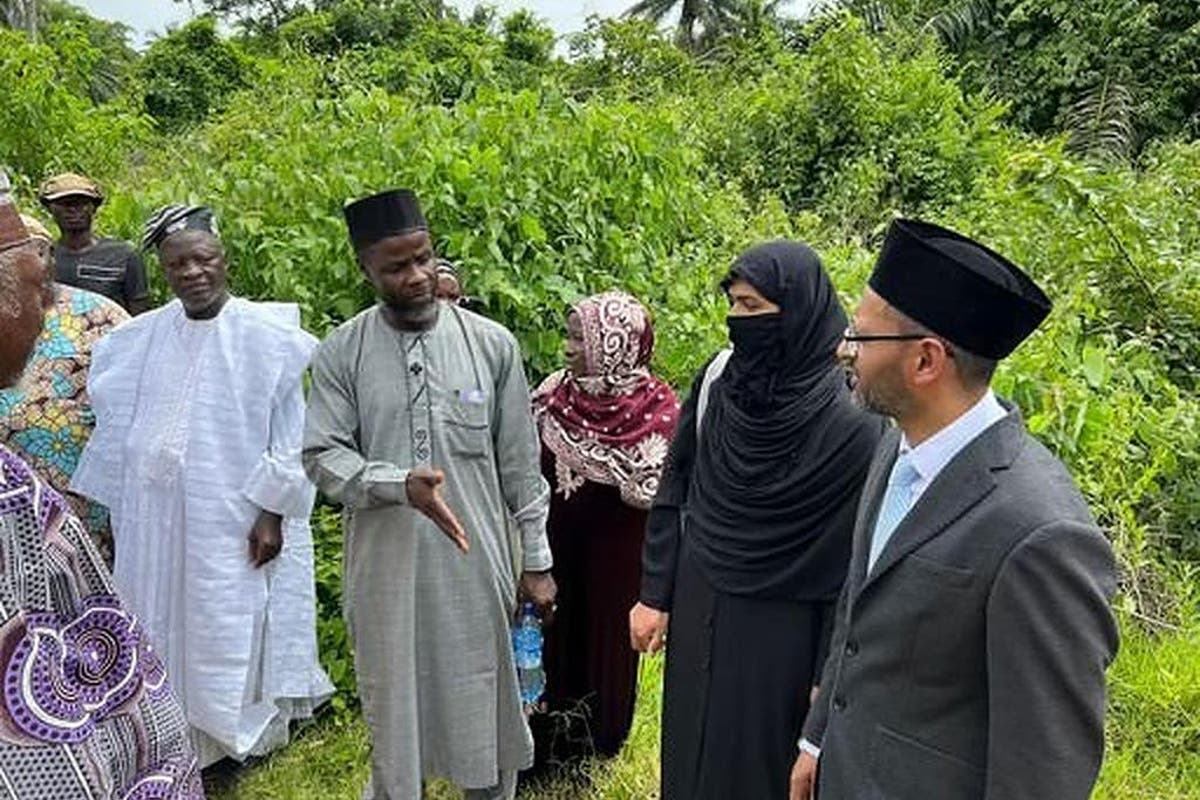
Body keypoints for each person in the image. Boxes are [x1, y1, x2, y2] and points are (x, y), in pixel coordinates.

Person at [789, 219, 1119, 800]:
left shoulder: (1039, 532)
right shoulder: (896, 442)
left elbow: (1045, 770)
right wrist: (819, 741)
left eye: (861, 337)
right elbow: (859, 609)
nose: (844, 349)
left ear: (925, 362)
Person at [303, 188, 556, 800]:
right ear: (366, 269)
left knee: (488, 712)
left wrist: (538, 561)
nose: (416, 276)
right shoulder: (343, 351)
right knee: (395, 715)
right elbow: (320, 456)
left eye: (423, 258)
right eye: (396, 266)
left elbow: (521, 467)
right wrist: (395, 485)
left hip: (478, 564)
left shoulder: (491, 345)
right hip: (386, 570)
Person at [71, 203, 333, 767]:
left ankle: (225, 736)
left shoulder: (266, 335)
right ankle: (167, 732)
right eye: (176, 264)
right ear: (163, 271)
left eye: (202, 259)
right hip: (154, 516)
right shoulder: (139, 338)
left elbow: (292, 436)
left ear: (224, 259)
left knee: (225, 616)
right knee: (157, 615)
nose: (192, 272)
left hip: (233, 515)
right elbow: (121, 429)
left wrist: (272, 512)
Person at [629, 242, 886, 800]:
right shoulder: (722, 379)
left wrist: (828, 673)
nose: (738, 322)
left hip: (783, 626)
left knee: (757, 765)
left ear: (796, 312)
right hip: (703, 596)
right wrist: (656, 592)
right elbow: (678, 481)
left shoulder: (853, 421)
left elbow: (851, 563)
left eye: (752, 308)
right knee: (689, 746)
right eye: (734, 307)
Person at [0, 174, 204, 798]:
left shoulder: (103, 315)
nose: (39, 307)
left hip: (92, 511)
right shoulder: (12, 503)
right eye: (28, 282)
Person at [529, 291, 679, 768]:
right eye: (570, 335)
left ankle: (596, 750)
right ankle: (541, 746)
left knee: (606, 649)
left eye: (580, 337)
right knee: (549, 643)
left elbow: (669, 499)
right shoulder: (553, 394)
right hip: (553, 555)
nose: (568, 347)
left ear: (615, 345)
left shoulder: (657, 410)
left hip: (617, 565)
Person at [0, 213, 128, 564]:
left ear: (51, 256)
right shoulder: (7, 311)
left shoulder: (102, 315)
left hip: (83, 493)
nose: (35, 263)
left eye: (40, 251)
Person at [38, 172, 150, 314]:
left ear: (94, 207)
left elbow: (140, 314)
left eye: (81, 203)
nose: (72, 210)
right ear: (50, 209)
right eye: (64, 204)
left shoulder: (124, 255)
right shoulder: (43, 258)